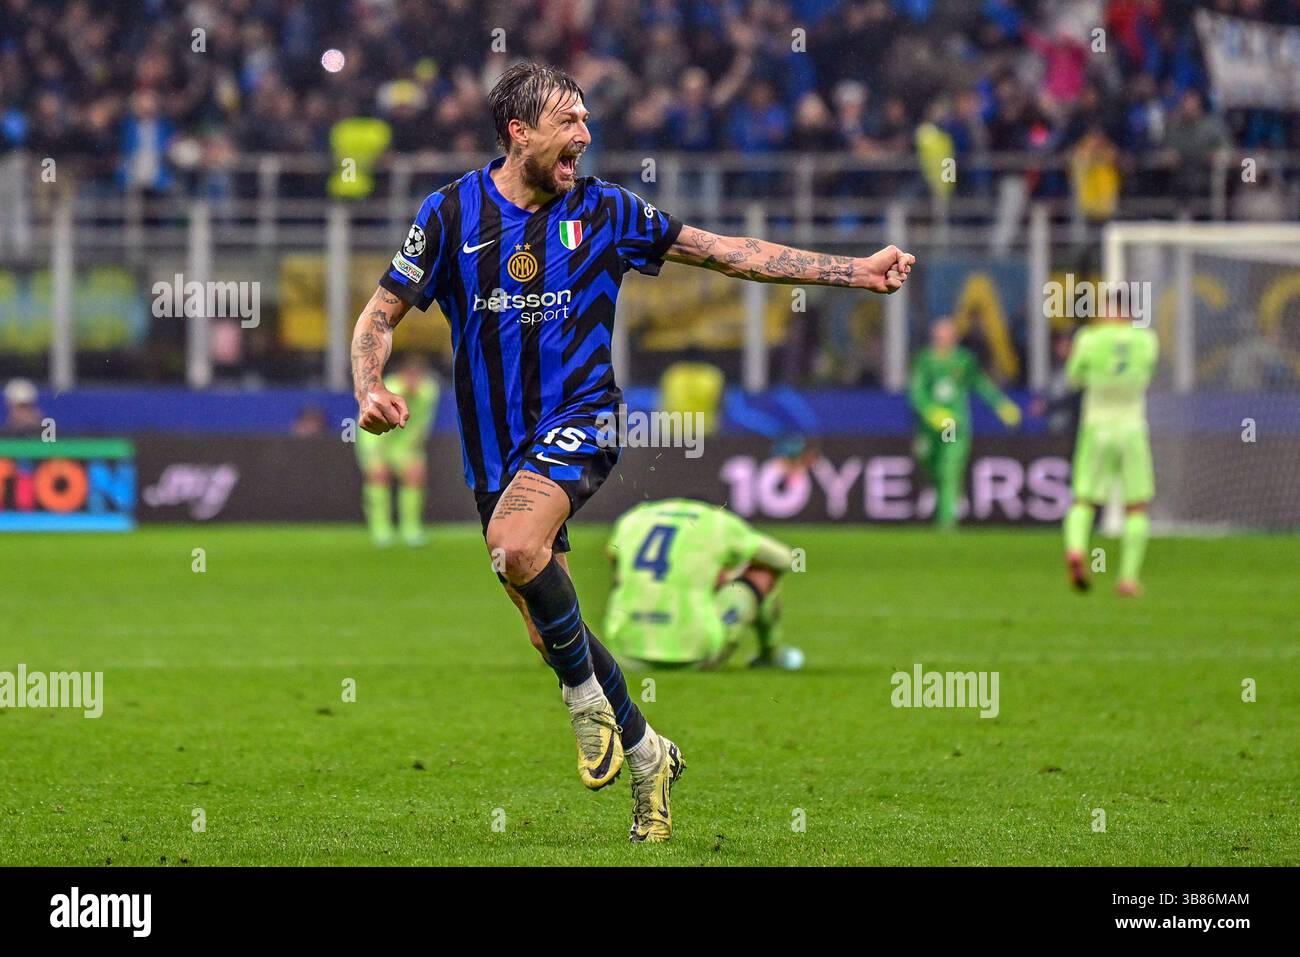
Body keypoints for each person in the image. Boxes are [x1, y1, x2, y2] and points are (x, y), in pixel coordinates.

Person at [348, 61, 915, 844]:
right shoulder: (449, 214)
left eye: (586, 119)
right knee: (549, 624)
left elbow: (725, 252)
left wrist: (853, 271)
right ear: (519, 132)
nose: (585, 134)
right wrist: (368, 386)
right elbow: (380, 312)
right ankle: (649, 751)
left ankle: (584, 703)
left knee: (515, 548)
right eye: (568, 122)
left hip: (585, 418)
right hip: (493, 449)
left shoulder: (607, 210)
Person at [604, 499, 801, 671]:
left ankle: (632, 629)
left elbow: (615, 561)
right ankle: (770, 654)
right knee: (762, 573)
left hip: (623, 655)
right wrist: (730, 572)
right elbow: (784, 559)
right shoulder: (717, 521)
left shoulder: (634, 518)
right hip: (695, 655)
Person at [1061, 312, 1159, 596]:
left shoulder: (1089, 338)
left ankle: (1077, 550)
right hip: (1132, 429)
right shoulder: (1147, 340)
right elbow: (1148, 374)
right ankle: (1128, 578)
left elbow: (1073, 378)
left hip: (1097, 428)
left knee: (1084, 500)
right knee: (1137, 506)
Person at [908, 317, 1021, 529]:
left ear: (955, 337)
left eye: (948, 335)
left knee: (949, 467)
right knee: (927, 460)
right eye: (940, 334)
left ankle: (946, 521)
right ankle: (939, 489)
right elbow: (917, 392)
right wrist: (931, 412)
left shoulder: (964, 360)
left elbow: (980, 384)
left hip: (953, 424)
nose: (944, 339)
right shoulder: (924, 360)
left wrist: (1002, 406)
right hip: (930, 425)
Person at [354, 353, 439, 547]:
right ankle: (380, 530)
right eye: (411, 375)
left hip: (405, 443)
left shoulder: (429, 391)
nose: (415, 380)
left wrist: (415, 445)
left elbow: (423, 421)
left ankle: (411, 529)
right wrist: (375, 451)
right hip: (376, 439)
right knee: (379, 474)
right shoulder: (389, 388)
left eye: (419, 375)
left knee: (415, 474)